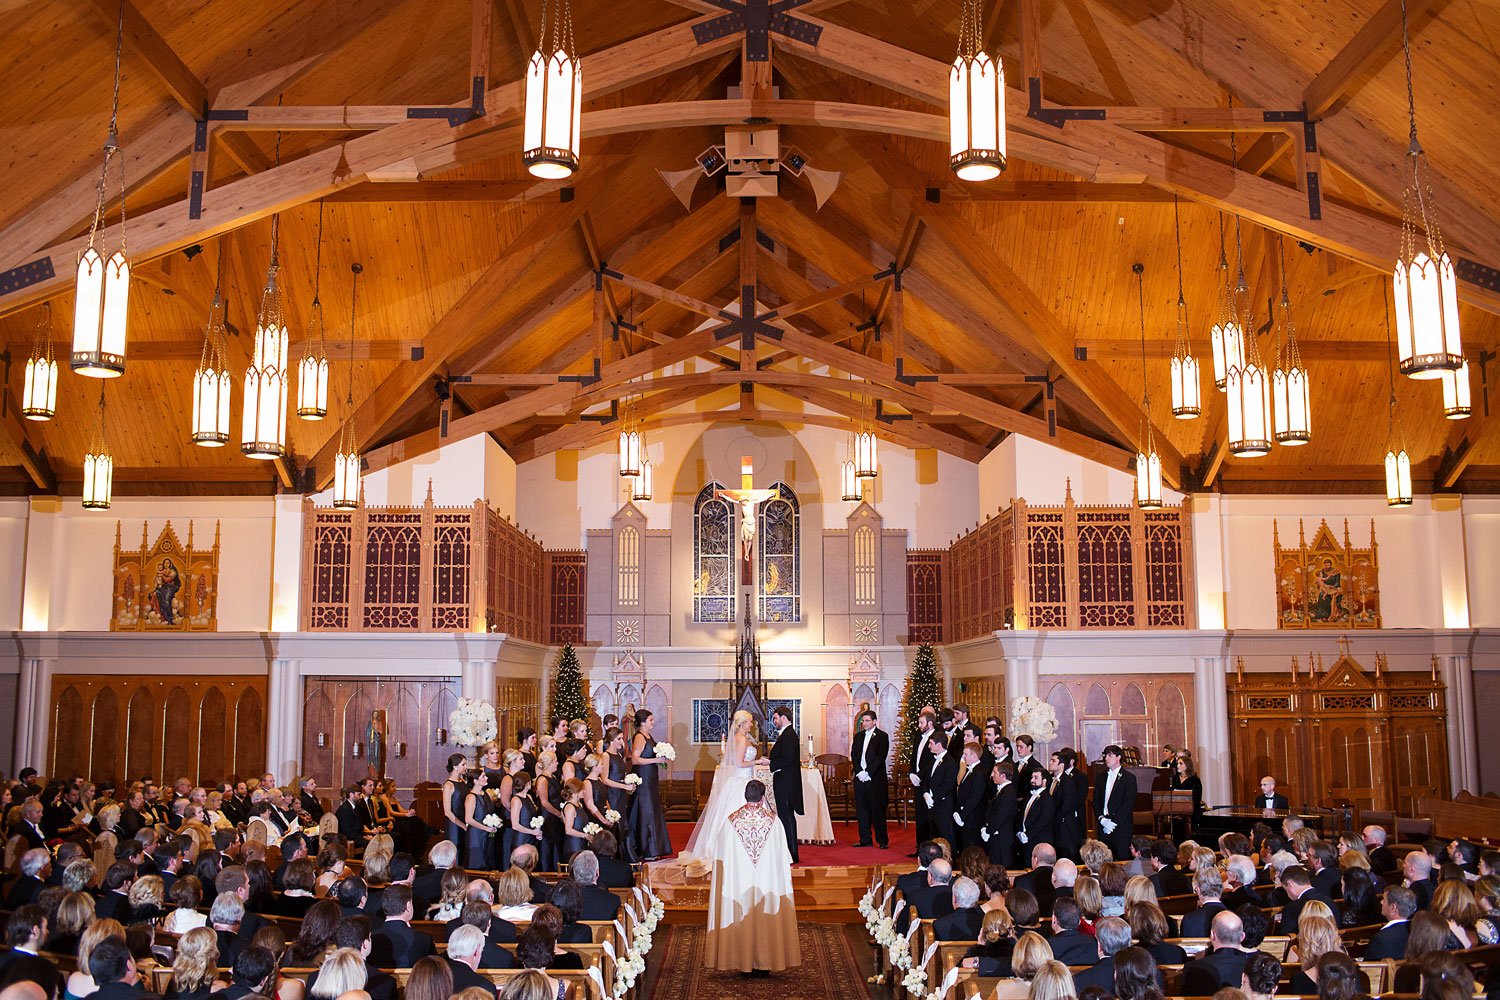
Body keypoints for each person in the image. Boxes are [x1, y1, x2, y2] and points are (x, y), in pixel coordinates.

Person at [706, 780, 799, 975]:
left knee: (741, 914)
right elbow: (784, 857)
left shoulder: (731, 821)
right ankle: (766, 961)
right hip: (767, 881)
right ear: (763, 797)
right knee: (766, 912)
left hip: (739, 882)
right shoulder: (774, 821)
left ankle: (742, 961)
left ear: (745, 795)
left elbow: (720, 857)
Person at [680, 710, 763, 868]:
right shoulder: (741, 739)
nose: (752, 724)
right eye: (750, 722)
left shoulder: (743, 738)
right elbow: (739, 763)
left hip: (747, 780)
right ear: (743, 723)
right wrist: (759, 762)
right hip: (741, 781)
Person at [626, 709, 672, 861]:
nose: (653, 722)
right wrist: (656, 760)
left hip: (650, 776)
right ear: (643, 722)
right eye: (651, 720)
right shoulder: (639, 737)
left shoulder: (648, 735)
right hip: (643, 776)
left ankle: (654, 847)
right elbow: (635, 759)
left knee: (652, 809)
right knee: (646, 810)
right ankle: (647, 848)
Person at [767, 705, 803, 864]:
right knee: (785, 817)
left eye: (775, 718)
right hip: (784, 781)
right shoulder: (787, 734)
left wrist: (770, 762)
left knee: (787, 817)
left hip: (786, 783)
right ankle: (789, 852)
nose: (774, 721)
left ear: (783, 717)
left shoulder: (789, 735)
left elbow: (788, 760)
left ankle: (792, 853)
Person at [849, 710, 889, 849]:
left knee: (877, 810)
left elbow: (880, 757)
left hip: (875, 779)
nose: (864, 723)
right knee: (862, 810)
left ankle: (882, 840)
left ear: (874, 721)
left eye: (867, 721)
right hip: (860, 778)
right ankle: (865, 839)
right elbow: (854, 754)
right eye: (863, 721)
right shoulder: (858, 736)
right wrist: (859, 772)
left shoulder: (882, 736)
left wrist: (868, 773)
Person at [1094, 745, 1136, 860]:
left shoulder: (1129, 778)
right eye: (1105, 755)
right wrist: (1102, 819)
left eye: (1109, 755)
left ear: (1118, 757)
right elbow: (1096, 801)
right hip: (1103, 825)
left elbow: (1128, 803)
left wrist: (1113, 823)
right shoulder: (1101, 777)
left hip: (1121, 827)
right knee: (1104, 861)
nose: (1106, 758)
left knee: (1122, 859)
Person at [907, 708, 938, 848]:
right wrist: (912, 773)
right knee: (919, 816)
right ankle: (920, 847)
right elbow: (914, 757)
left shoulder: (937, 738)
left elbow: (931, 761)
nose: (919, 725)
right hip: (917, 780)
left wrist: (920, 776)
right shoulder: (918, 736)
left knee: (928, 817)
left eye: (921, 722)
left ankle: (929, 848)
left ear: (930, 723)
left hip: (928, 782)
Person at [1050, 748, 1088, 862]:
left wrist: (1055, 818)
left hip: (1067, 821)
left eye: (1053, 761)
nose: (1050, 763)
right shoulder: (1052, 779)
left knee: (1068, 853)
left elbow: (1070, 803)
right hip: (1055, 823)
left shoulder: (1071, 780)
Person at [982, 761, 1018, 867]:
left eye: (995, 772)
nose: (992, 775)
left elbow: (1000, 816)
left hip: (1001, 839)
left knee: (1000, 867)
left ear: (1003, 776)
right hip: (996, 836)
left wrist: (988, 831)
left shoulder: (1008, 793)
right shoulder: (1003, 791)